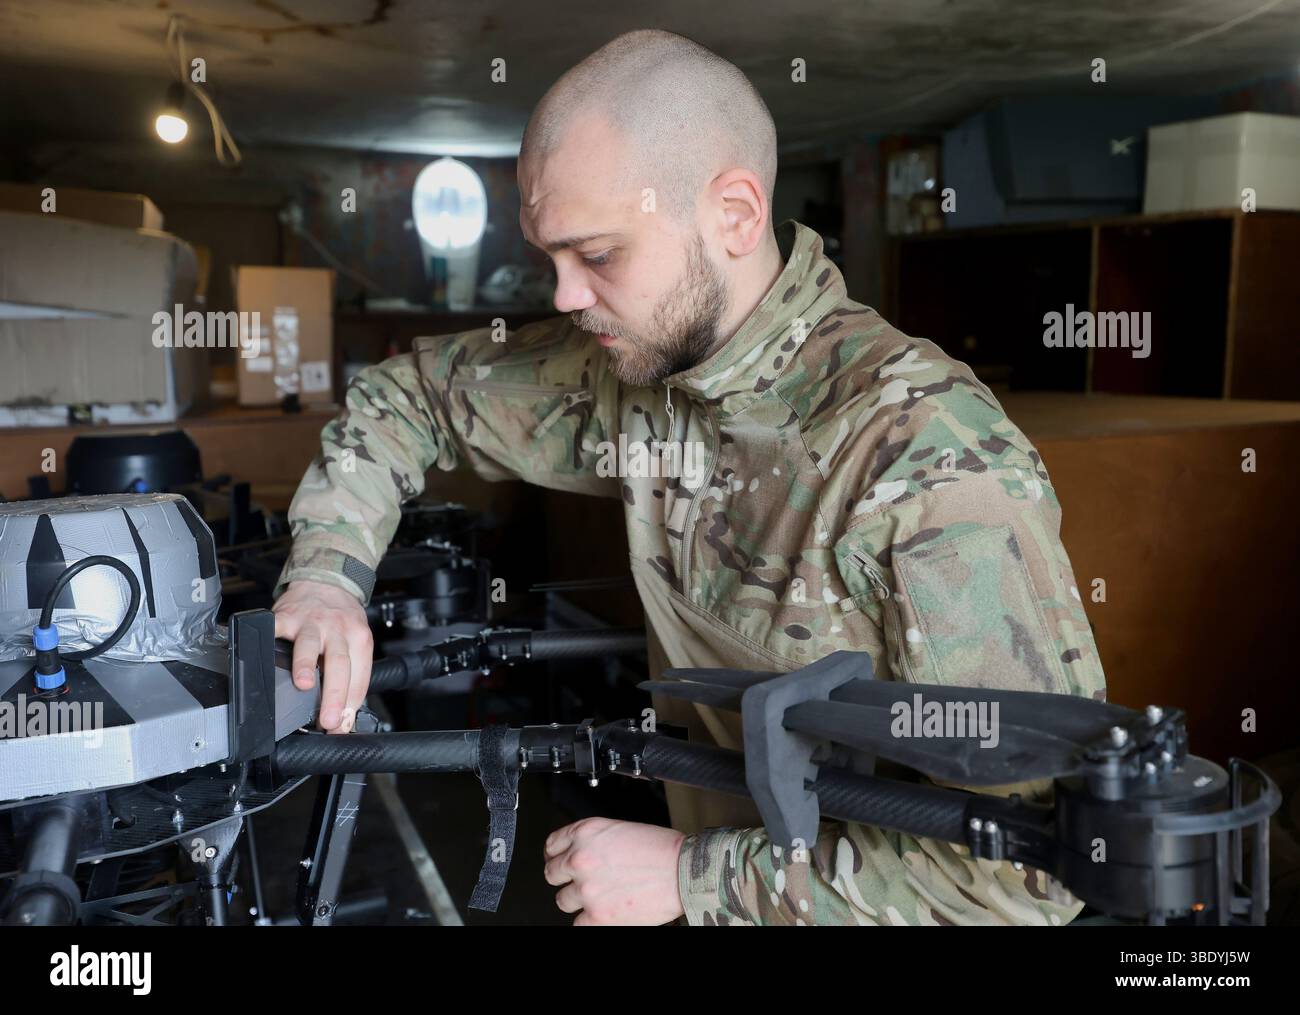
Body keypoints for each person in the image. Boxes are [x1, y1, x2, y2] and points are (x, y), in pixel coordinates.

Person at [272, 28, 1105, 925]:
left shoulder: (925, 459)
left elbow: (1029, 868)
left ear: (736, 215)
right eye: (550, 257)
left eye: (597, 255)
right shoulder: (638, 375)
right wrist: (328, 572)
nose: (562, 297)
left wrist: (691, 877)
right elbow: (409, 393)